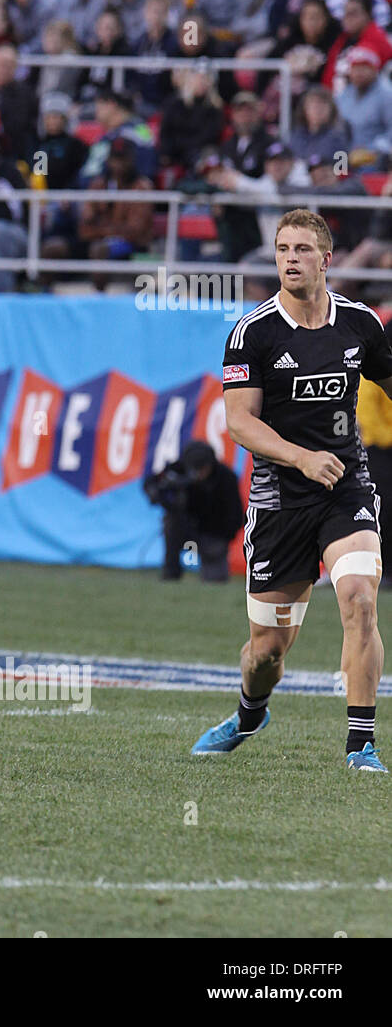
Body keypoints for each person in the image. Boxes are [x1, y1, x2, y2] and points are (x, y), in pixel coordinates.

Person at [194, 209, 392, 772]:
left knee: (358, 597)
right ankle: (251, 711)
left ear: (326, 260)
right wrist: (302, 458)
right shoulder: (252, 333)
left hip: (345, 488)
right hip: (281, 498)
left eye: (302, 249)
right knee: (266, 653)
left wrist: (325, 463)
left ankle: (360, 745)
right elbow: (241, 422)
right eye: (283, 249)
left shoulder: (360, 325)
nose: (290, 259)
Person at [144, 441, 244, 582]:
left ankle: (213, 571)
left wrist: (225, 538)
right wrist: (160, 497)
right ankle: (171, 573)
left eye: (202, 469)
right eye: (195, 469)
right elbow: (151, 483)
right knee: (171, 522)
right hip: (184, 528)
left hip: (213, 533)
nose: (198, 473)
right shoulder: (178, 469)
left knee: (215, 580)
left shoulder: (226, 478)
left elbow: (236, 514)